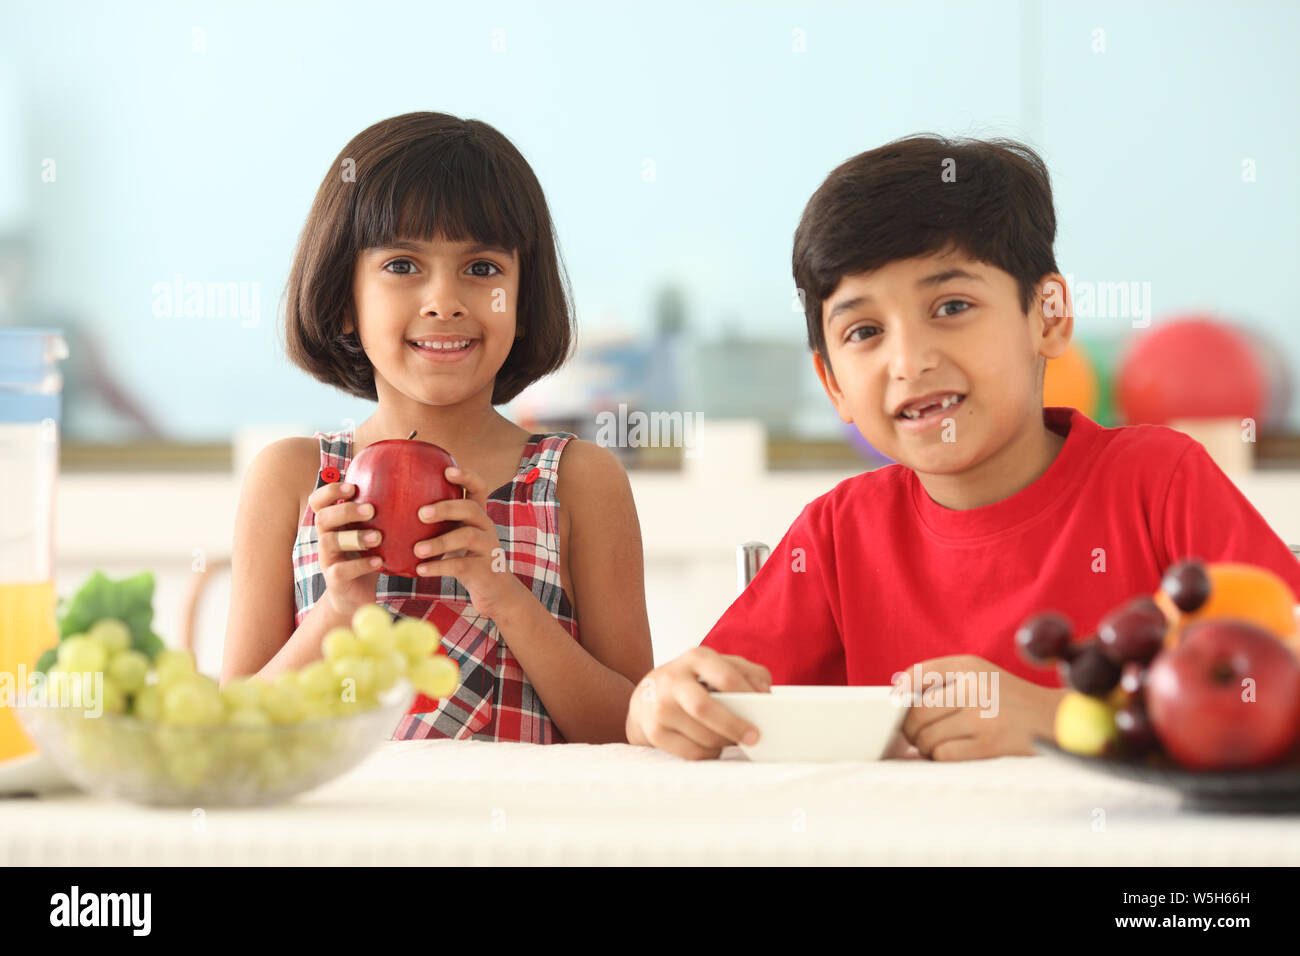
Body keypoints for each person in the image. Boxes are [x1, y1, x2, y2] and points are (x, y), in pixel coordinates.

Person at [627, 134, 1300, 761]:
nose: (910, 360)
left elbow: (1281, 691)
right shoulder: (836, 535)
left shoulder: (1159, 480)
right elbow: (701, 705)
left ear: (1049, 317)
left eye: (950, 307)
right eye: (864, 331)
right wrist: (658, 703)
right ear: (832, 383)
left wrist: (1055, 716)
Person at [222, 112, 653, 743]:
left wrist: (502, 592)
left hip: (528, 840)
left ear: (524, 302)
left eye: (482, 269)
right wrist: (337, 611)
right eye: (402, 265)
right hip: (343, 842)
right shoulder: (293, 481)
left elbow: (631, 729)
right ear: (345, 300)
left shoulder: (580, 481)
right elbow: (229, 730)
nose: (444, 301)